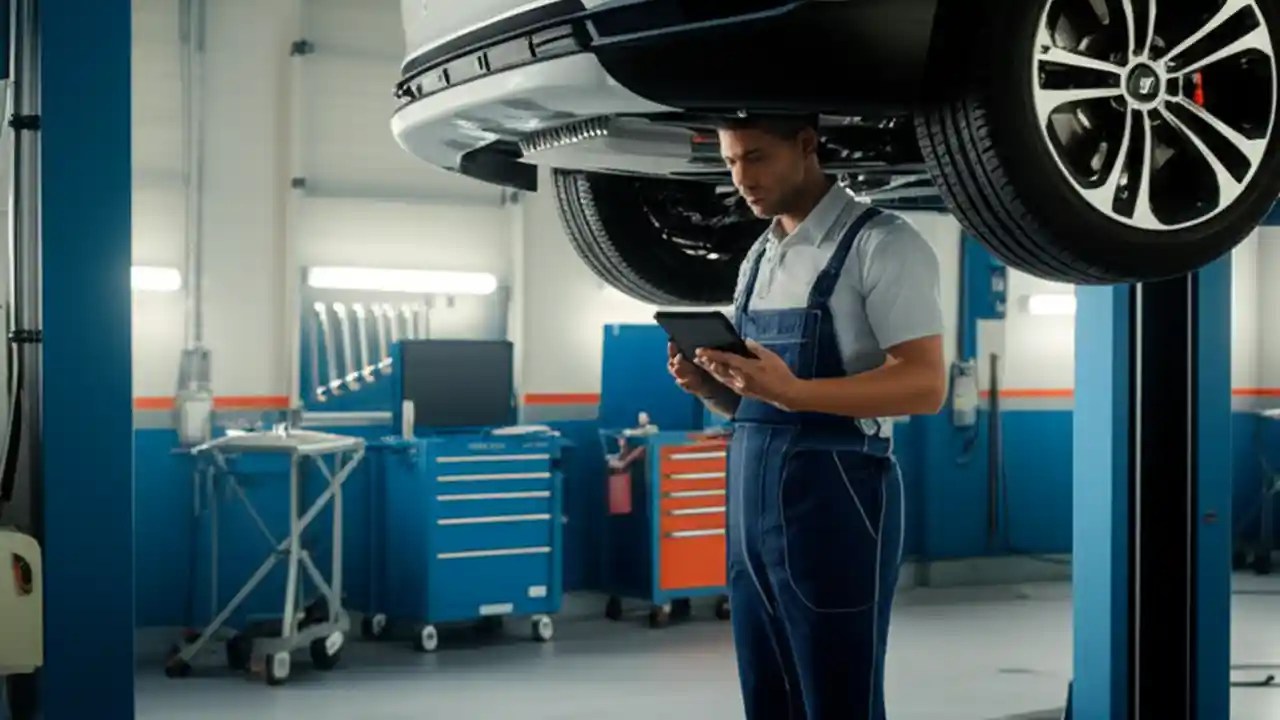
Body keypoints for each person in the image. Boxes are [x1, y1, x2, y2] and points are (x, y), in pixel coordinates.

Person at [668, 114, 946, 720]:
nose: (741, 178)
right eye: (731, 161)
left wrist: (795, 392)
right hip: (752, 503)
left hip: (839, 505)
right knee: (766, 696)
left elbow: (926, 385)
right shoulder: (759, 257)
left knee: (837, 696)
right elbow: (760, 402)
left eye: (757, 158)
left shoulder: (883, 243)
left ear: (806, 145)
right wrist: (712, 388)